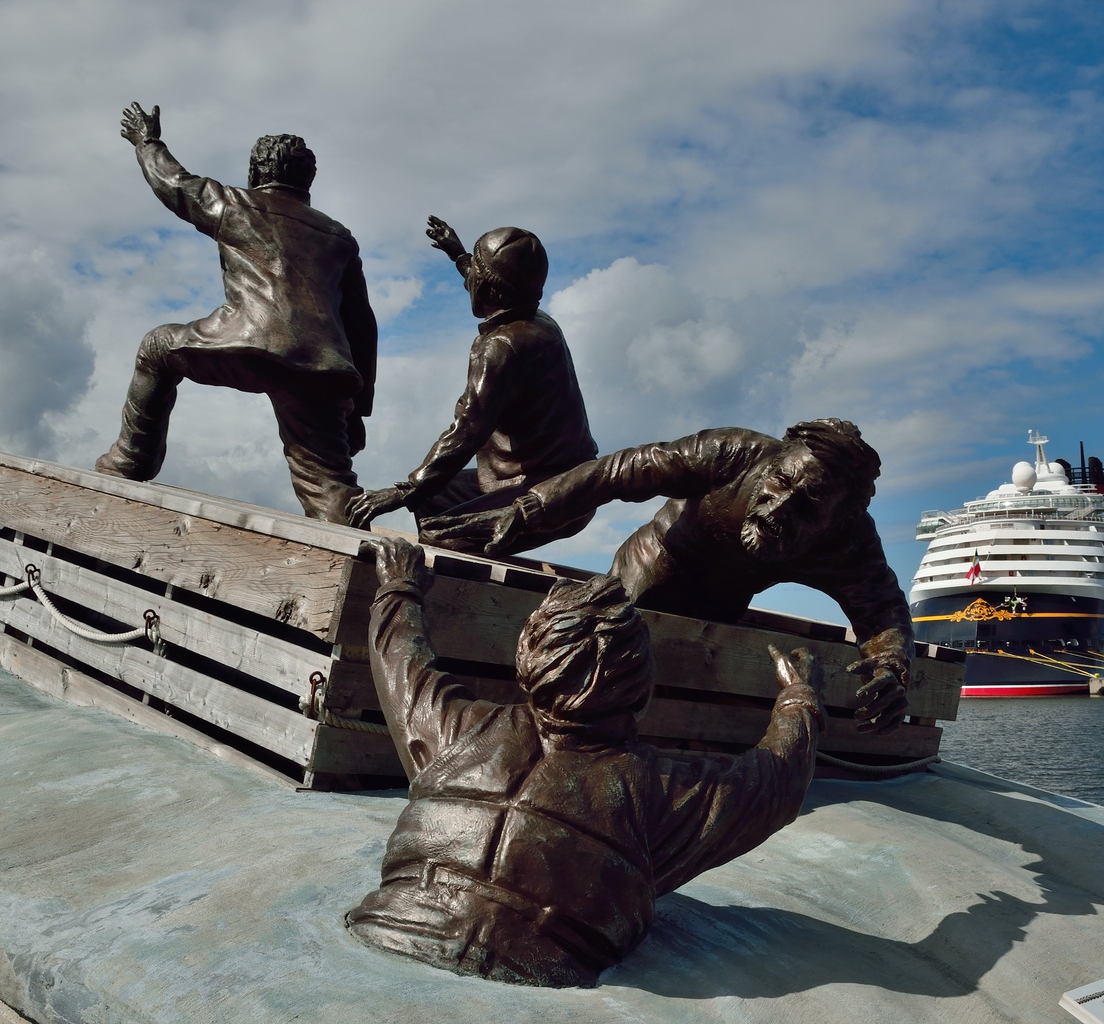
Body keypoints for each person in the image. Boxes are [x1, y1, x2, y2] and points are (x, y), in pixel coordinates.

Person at [344, 534, 824, 987]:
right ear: (642, 685)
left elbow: (402, 659)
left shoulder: (459, 730)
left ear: (528, 657)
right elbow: (778, 779)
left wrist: (399, 586)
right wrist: (798, 697)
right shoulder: (662, 792)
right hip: (545, 967)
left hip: (390, 922)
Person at [422, 419, 914, 733]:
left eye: (806, 505)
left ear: (836, 520)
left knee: (686, 670)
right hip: (652, 567)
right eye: (779, 482)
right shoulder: (731, 453)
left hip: (715, 613)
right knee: (605, 644)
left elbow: (883, 608)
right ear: (771, 464)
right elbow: (618, 470)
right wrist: (529, 509)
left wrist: (892, 668)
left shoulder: (848, 540)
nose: (778, 507)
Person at [95, 102, 377, 523]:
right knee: (330, 487)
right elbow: (362, 326)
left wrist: (146, 141)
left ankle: (130, 460)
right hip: (321, 369)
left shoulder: (234, 203)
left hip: (242, 343)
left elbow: (172, 182)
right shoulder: (339, 237)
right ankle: (370, 567)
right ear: (308, 181)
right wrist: (356, 404)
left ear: (255, 174)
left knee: (157, 347)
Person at [345, 217, 596, 545]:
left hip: (549, 495)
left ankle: (446, 591)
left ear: (489, 288)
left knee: (439, 534)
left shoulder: (501, 348)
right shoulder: (536, 320)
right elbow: (499, 285)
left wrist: (403, 492)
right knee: (434, 497)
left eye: (476, 272)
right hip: (560, 481)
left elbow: (467, 431)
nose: (470, 280)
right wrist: (460, 256)